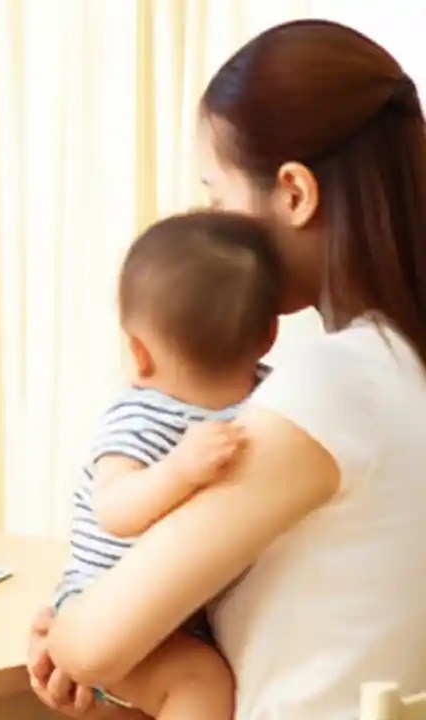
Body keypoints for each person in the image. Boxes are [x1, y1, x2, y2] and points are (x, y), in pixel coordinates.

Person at [28, 19, 426, 719]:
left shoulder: (333, 388)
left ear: (295, 194)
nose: (211, 225)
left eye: (218, 198)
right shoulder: (401, 367)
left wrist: (73, 628)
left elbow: (90, 646)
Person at [54, 211, 282, 719]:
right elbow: (114, 508)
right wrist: (178, 471)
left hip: (183, 612)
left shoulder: (276, 401)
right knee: (200, 684)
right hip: (107, 606)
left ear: (137, 350)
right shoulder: (140, 413)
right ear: (269, 332)